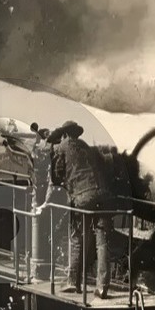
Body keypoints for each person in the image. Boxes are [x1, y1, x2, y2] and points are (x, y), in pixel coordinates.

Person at [49, 120, 118, 297]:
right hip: (104, 196)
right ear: (76, 134)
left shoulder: (61, 147)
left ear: (64, 135)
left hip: (82, 197)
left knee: (77, 238)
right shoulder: (87, 147)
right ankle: (102, 287)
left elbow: (57, 176)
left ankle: (72, 281)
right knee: (102, 243)